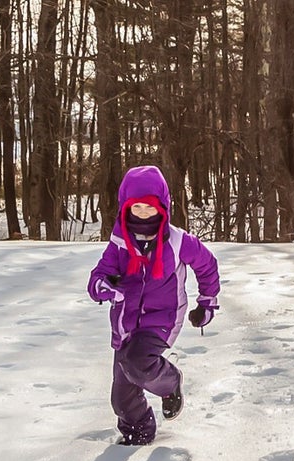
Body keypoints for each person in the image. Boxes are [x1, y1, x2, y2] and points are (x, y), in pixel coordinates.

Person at [87, 165, 220, 446]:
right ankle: (139, 434)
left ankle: (170, 382)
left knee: (137, 361)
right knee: (121, 399)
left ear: (163, 207)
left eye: (151, 208)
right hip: (126, 321)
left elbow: (207, 265)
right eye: (137, 208)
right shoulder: (120, 242)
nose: (144, 214)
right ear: (126, 208)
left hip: (162, 317)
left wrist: (207, 301)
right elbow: (100, 274)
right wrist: (103, 287)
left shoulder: (177, 241)